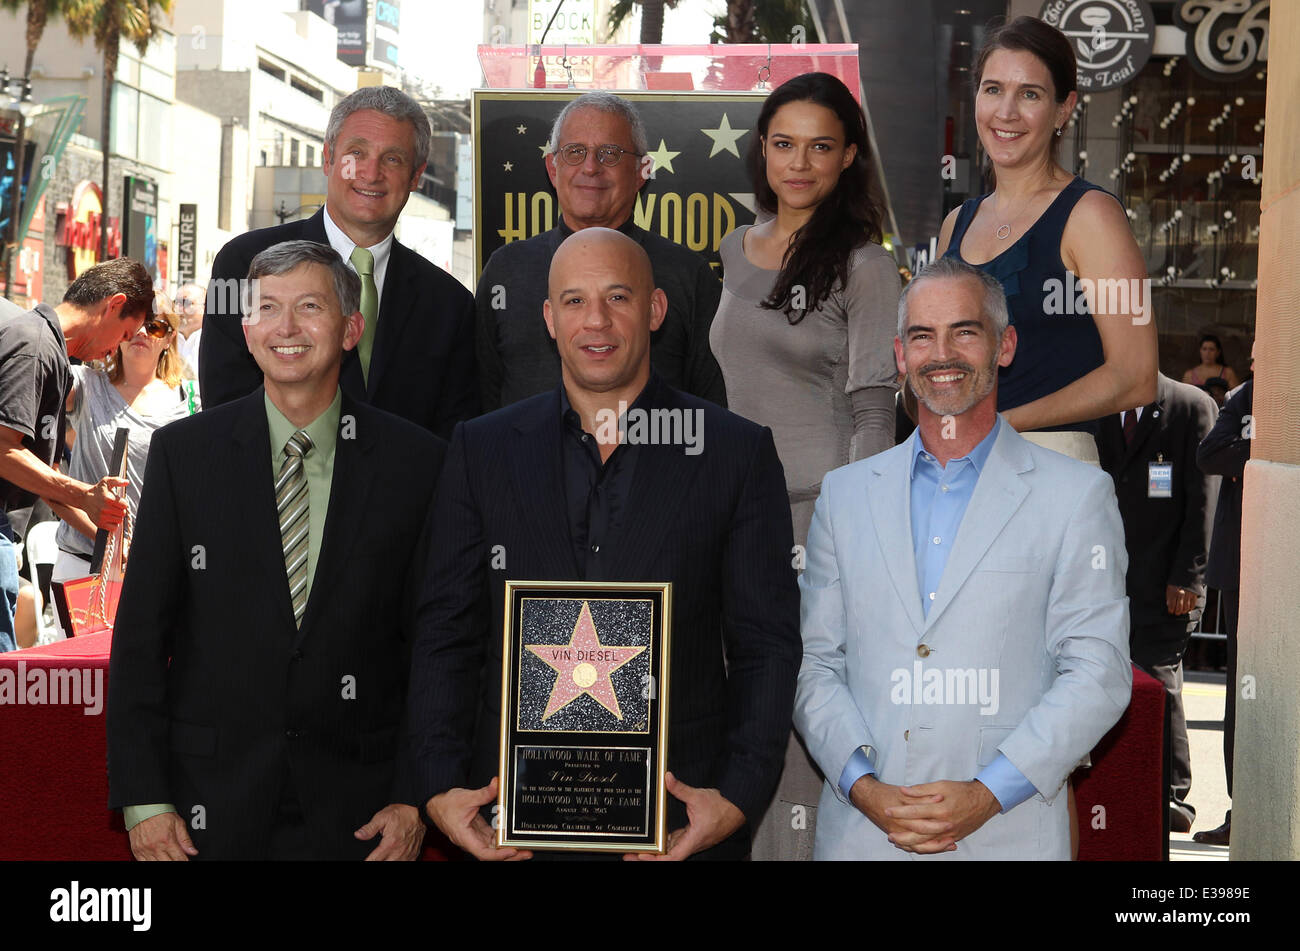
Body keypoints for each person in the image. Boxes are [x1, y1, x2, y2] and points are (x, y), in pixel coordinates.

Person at [409, 228, 800, 861]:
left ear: (655, 310)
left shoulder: (735, 452)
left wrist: (735, 795)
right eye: (573, 300)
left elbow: (766, 645)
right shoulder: (481, 450)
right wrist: (439, 786)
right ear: (547, 318)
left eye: (619, 297)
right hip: (508, 822)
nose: (596, 320)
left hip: (678, 825)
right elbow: (445, 632)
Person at [107, 241, 447, 860]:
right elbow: (139, 639)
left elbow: (436, 644)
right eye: (268, 308)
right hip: (207, 810)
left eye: (310, 306)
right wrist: (145, 800)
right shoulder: (185, 457)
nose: (286, 328)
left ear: (350, 329)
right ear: (246, 329)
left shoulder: (417, 463)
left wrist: (414, 795)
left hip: (364, 818)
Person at [794, 256, 1132, 860]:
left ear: (1004, 346)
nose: (941, 353)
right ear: (900, 355)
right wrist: (865, 789)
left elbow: (1098, 674)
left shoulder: (1076, 496)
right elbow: (815, 665)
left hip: (1008, 833)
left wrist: (987, 793)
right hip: (863, 835)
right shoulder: (844, 495)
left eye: (965, 331)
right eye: (922, 335)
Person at [708, 71, 899, 860]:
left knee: (803, 709)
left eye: (822, 146)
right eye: (783, 143)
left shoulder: (864, 263)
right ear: (762, 150)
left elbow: (874, 407)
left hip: (814, 518)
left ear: (850, 155)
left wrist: (855, 535)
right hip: (729, 514)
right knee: (743, 708)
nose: (799, 162)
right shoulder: (732, 246)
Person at [198, 85, 477, 440]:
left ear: (416, 176)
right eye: (356, 154)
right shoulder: (241, 264)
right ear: (328, 158)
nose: (371, 173)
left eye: (392, 159)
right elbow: (224, 404)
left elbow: (452, 438)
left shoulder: (449, 304)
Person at [937, 16, 1157, 458]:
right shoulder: (955, 224)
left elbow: (1136, 376)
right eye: (993, 89)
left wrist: (997, 425)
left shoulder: (1092, 216)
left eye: (1030, 94)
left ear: (1063, 109)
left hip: (1051, 467)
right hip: (958, 466)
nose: (1006, 112)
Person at [475, 91, 726, 412]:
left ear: (641, 171)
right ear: (553, 169)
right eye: (575, 152)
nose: (591, 168)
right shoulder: (506, 269)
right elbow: (482, 396)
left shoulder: (688, 275)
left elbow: (712, 410)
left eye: (609, 153)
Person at [0, 258, 152, 652]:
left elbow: (43, 477)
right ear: (113, 305)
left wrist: (112, 544)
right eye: (124, 333)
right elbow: (3, 449)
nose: (115, 349)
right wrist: (85, 494)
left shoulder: (52, 354)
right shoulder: (34, 344)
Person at [1096, 374, 1219, 835]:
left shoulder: (1190, 407)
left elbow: (1203, 500)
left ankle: (1172, 794)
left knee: (1159, 680)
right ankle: (1128, 785)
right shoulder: (1100, 406)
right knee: (1114, 681)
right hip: (1110, 579)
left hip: (1169, 583)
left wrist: (1188, 576)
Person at [52, 291, 196, 594]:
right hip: (82, 561)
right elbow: (46, 359)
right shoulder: (85, 384)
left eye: (155, 326)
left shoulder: (190, 400)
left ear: (169, 338)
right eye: (135, 323)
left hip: (157, 565)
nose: (143, 333)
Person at [1192, 354, 1254, 847]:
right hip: (1240, 568)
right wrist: (1265, 450)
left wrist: (1246, 456)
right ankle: (1241, 809)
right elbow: (1210, 454)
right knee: (1241, 689)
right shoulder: (1243, 398)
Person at [173, 281, 206, 383]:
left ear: (205, 308)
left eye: (186, 303)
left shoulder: (216, 343)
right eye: (176, 302)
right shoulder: (164, 340)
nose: (178, 309)